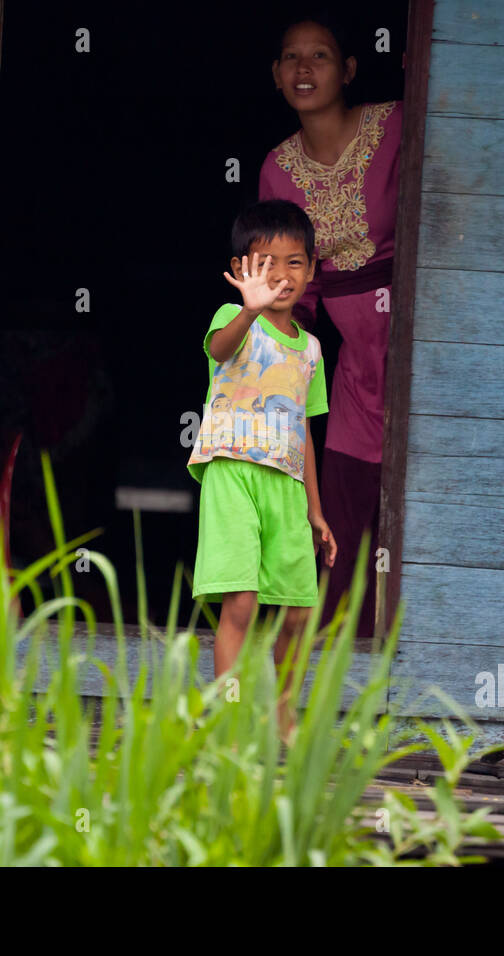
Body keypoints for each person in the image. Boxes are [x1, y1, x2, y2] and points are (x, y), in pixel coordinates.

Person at [258, 13, 401, 639]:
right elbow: (291, 282)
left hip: (423, 344)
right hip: (356, 368)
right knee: (345, 517)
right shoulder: (275, 169)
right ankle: (345, 672)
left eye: (320, 56)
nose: (304, 68)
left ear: (348, 70)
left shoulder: (396, 125)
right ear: (276, 76)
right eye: (292, 58)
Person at [188, 199, 338, 740]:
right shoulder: (233, 320)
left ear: (313, 269)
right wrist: (248, 309)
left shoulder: (312, 351)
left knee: (299, 610)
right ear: (242, 268)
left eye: (294, 262)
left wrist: (315, 512)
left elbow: (304, 432)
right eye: (265, 263)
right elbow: (219, 350)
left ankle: (281, 712)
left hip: (287, 486)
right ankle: (228, 717)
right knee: (242, 602)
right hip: (233, 473)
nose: (280, 275)